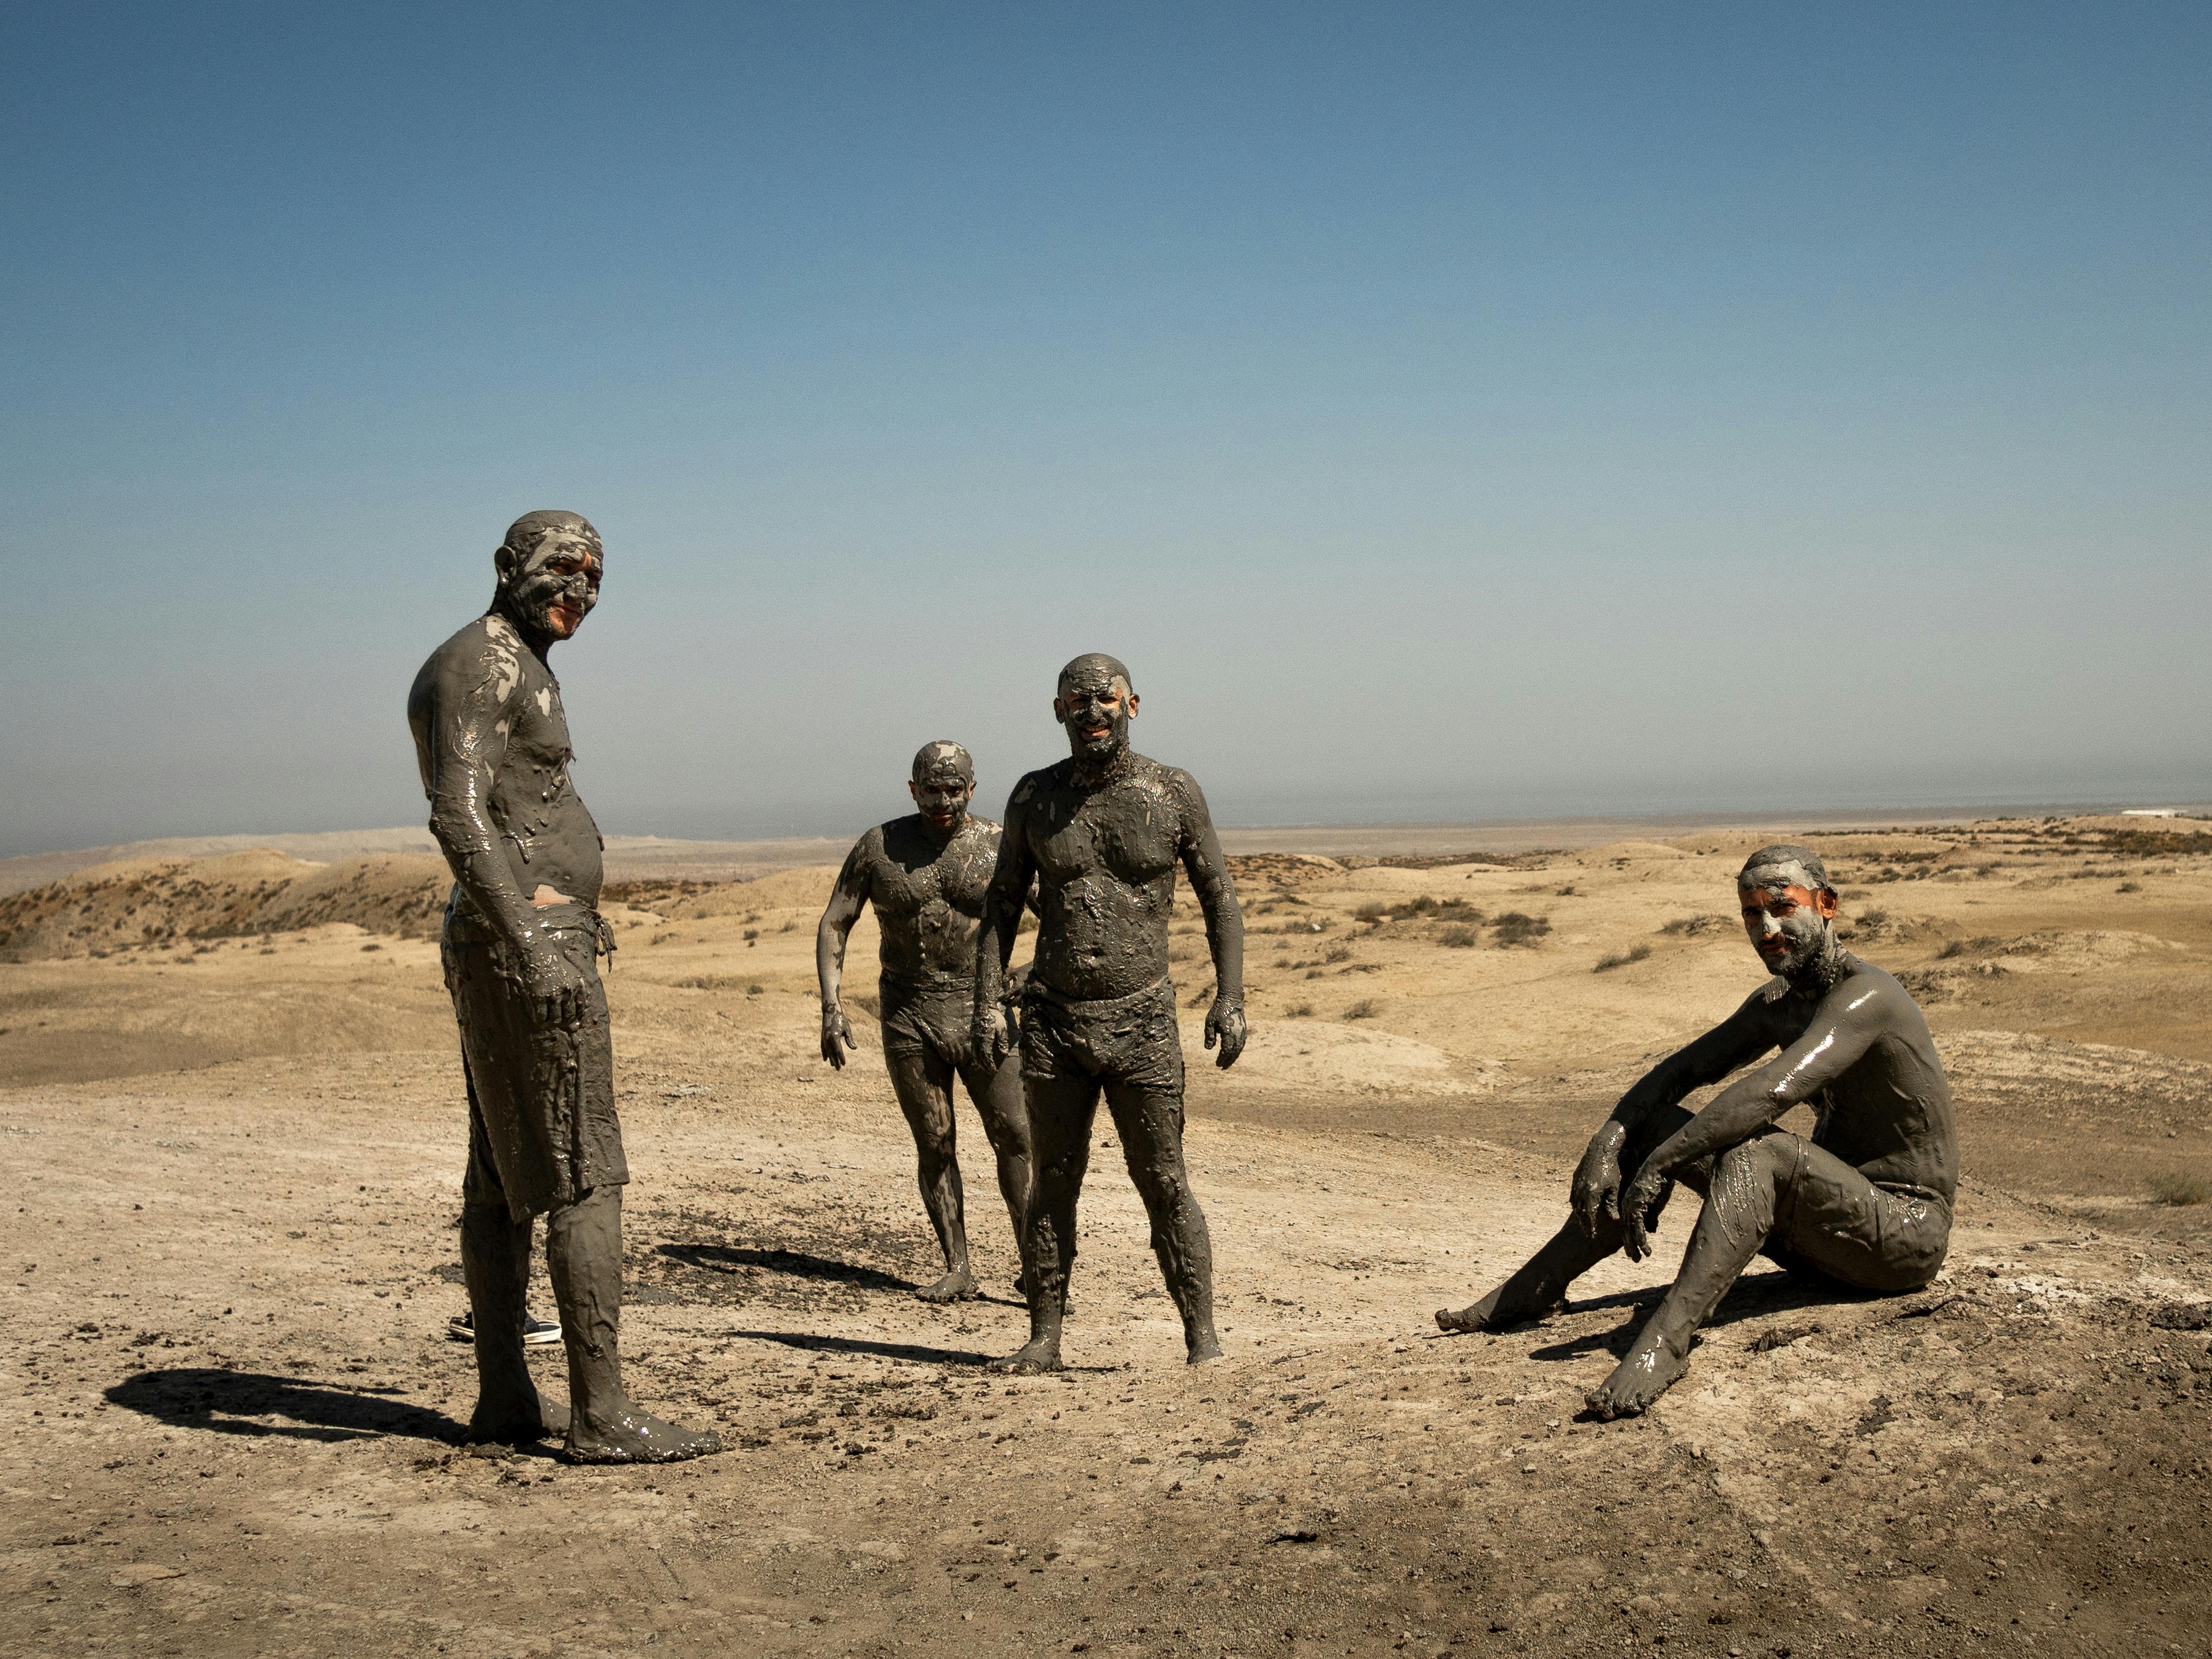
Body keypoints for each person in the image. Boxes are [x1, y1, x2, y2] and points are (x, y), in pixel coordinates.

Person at [1436, 844, 1957, 1418]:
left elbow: (1769, 1092)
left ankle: (1668, 1342)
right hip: (1830, 1231)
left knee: (1762, 1153)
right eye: (1751, 915)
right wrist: (1608, 1143)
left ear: (1827, 905)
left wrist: (1661, 1165)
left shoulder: (1868, 996)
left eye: (1782, 908)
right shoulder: (1778, 1003)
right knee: (1653, 1124)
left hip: (1903, 1236)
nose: (1766, 928)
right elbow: (1676, 1073)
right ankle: (1538, 1285)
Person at [407, 509, 720, 1462]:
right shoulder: (481, 664)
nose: (577, 589)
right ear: (508, 567)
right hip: (525, 950)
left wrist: (573, 909)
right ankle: (600, 1410)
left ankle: (506, 1394)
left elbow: (517, 809)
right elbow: (458, 819)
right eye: (558, 570)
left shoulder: (519, 664)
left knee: (499, 1178)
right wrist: (539, 944)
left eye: (592, 576)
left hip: (530, 934)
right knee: (586, 1174)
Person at [973, 654, 1247, 1372]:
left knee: (1162, 1178)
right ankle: (1044, 1336)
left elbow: (1218, 896)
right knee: (1052, 1179)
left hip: (1143, 1021)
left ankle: (1201, 1339)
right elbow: (1002, 901)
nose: (1093, 709)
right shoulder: (1034, 796)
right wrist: (984, 1001)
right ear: (1056, 709)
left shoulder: (1171, 791)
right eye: (1078, 699)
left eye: (1106, 697)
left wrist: (1230, 995)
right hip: (1056, 1021)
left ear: (1132, 702)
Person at [816, 741, 1033, 1301]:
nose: (943, 801)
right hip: (909, 1015)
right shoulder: (880, 847)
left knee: (1014, 1136)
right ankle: (958, 1265)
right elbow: (836, 922)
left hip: (983, 1010)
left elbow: (1061, 911)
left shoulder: (996, 847)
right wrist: (831, 1008)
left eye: (954, 790)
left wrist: (1032, 972)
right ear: (912, 789)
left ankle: (1037, 1266)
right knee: (934, 1143)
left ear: (972, 789)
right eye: (931, 790)